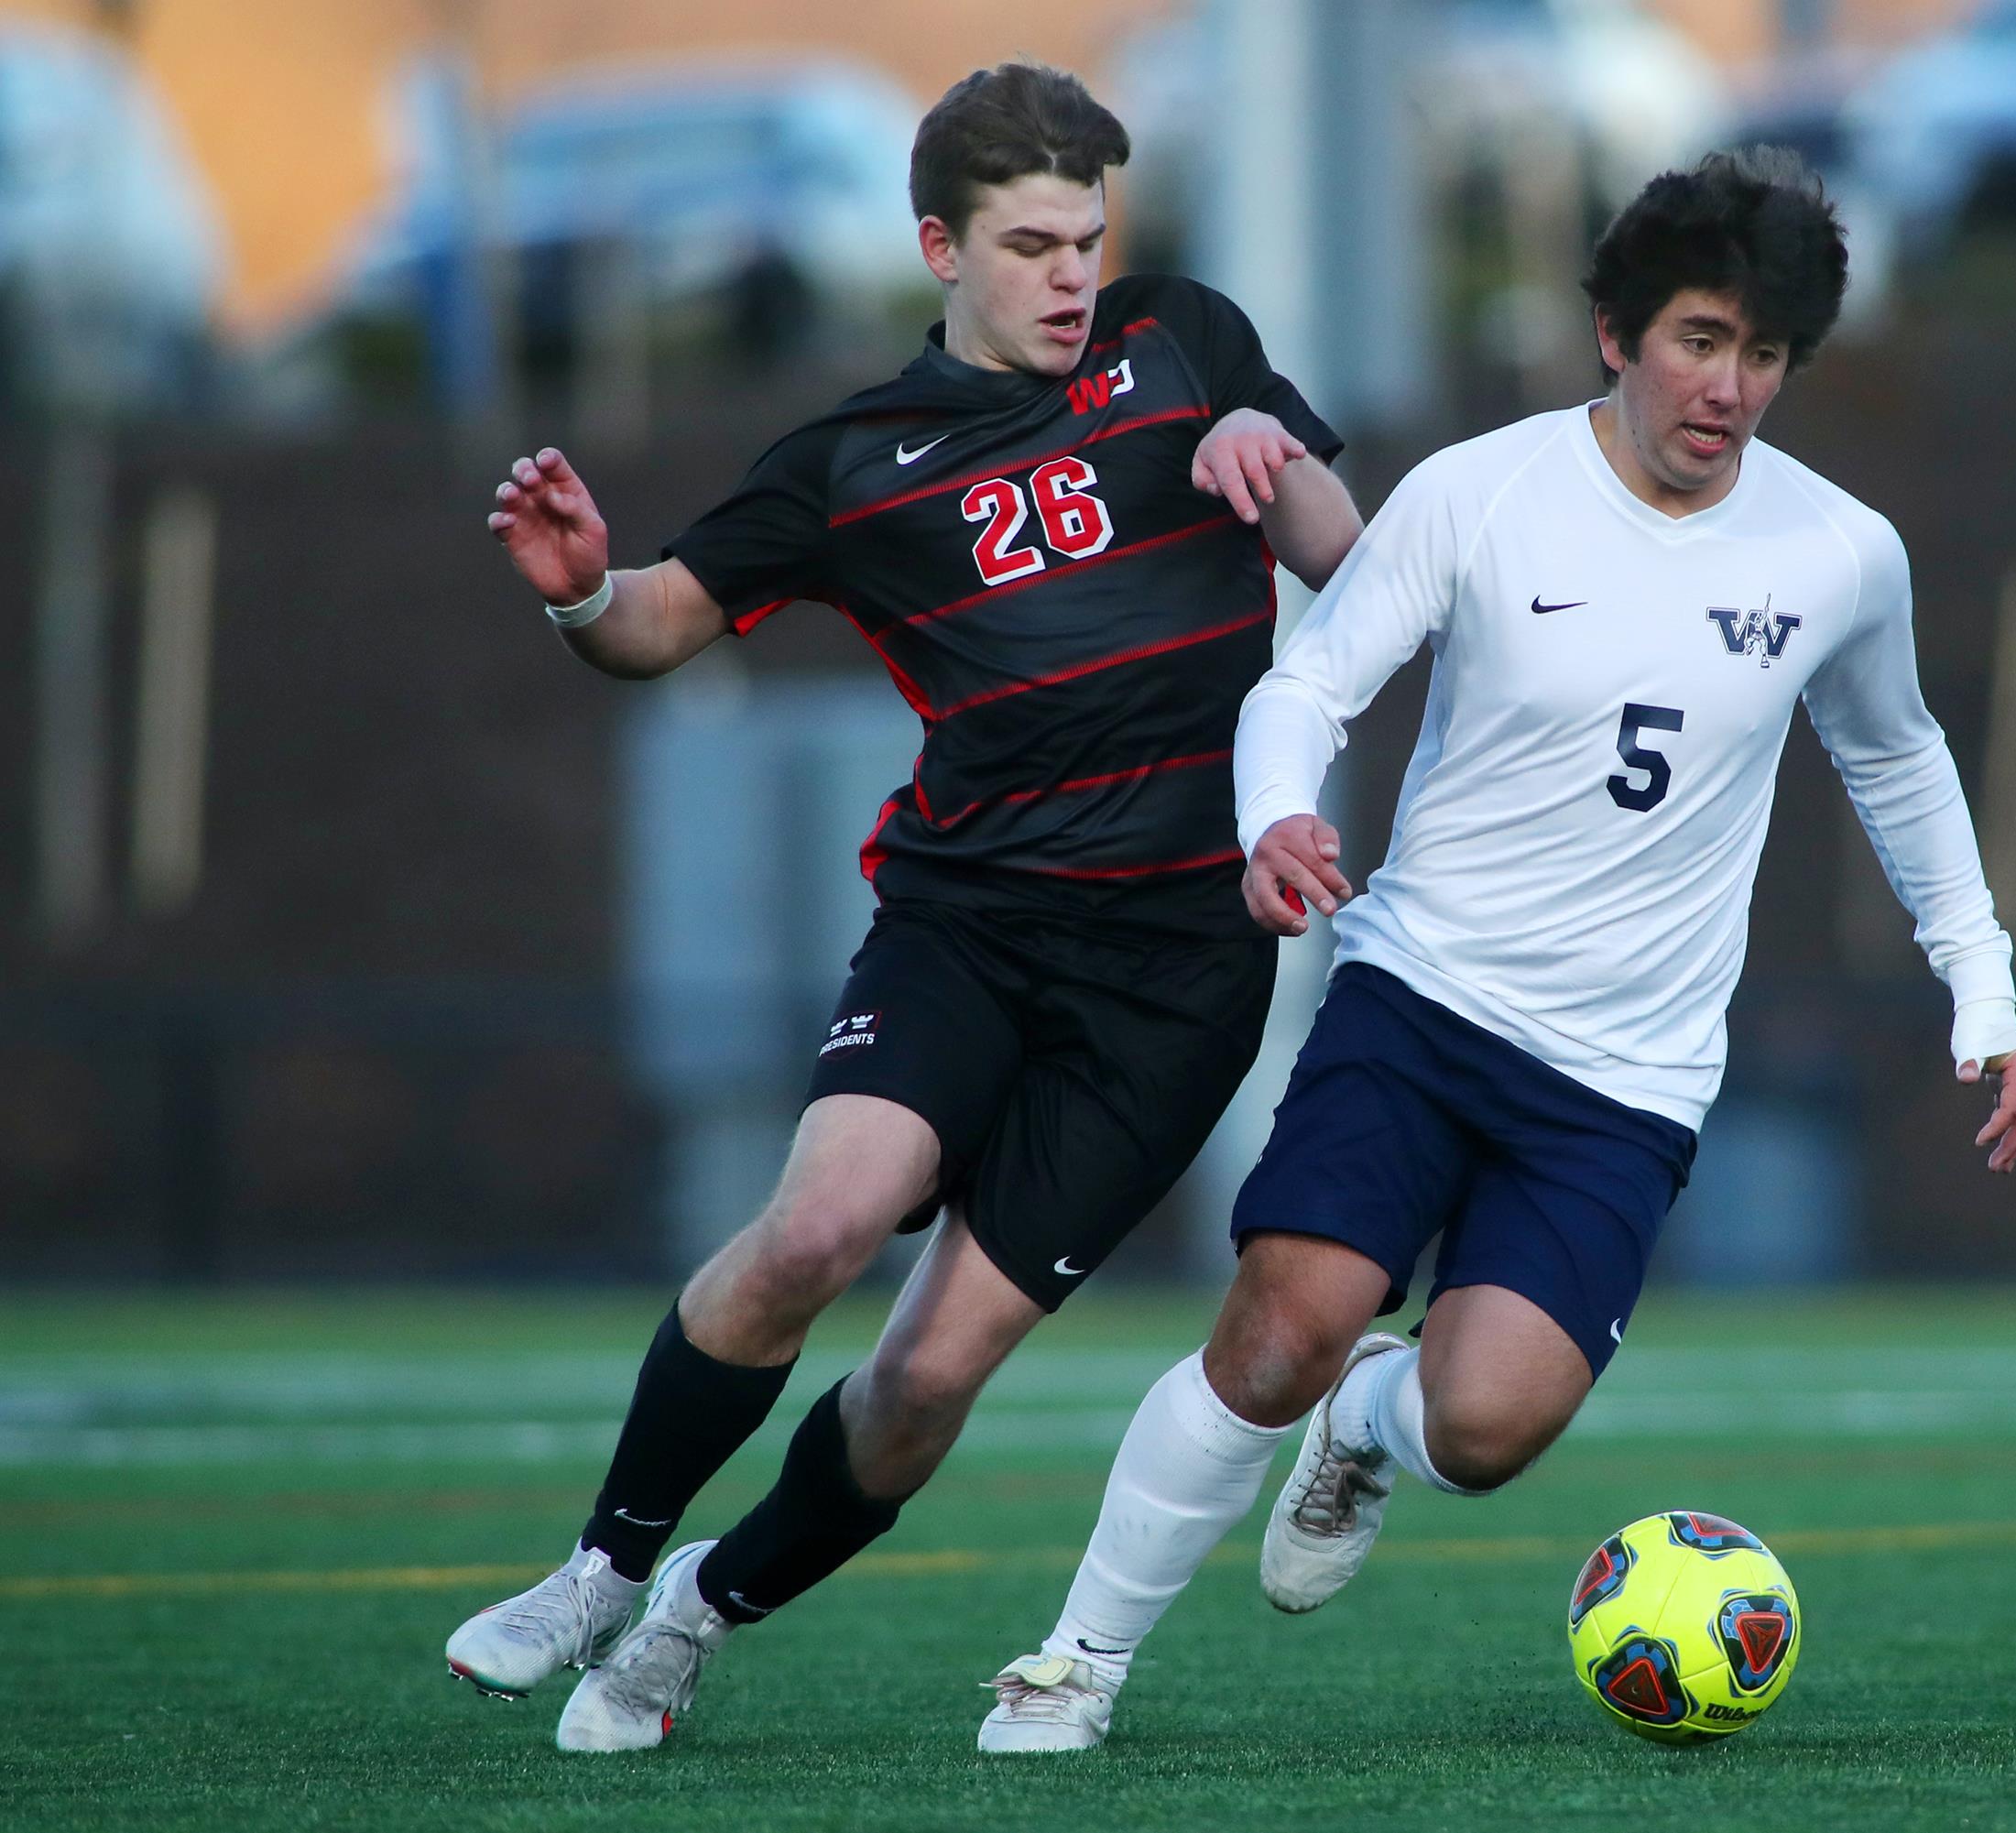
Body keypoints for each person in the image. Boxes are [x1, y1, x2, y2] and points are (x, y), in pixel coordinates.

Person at [975, 147, 2016, 1754]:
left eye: (1762, 355)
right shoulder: (1480, 492)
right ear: (1614, 332)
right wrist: (1274, 818)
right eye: (1698, 338)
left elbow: (1896, 759)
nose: (1728, 387)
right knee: (1283, 1320)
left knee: (1484, 1424)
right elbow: (1309, 684)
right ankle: (1076, 1658)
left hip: (1627, 1073)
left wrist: (1983, 986)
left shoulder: (1841, 553)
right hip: (1423, 995)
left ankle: (1374, 1426)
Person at [441, 60, 1361, 1753]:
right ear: (941, 245)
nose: (1074, 275)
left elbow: (1344, 555)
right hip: (973, 927)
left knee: (930, 1376)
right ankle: (593, 1566)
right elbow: (662, 622)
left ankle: (690, 1618)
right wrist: (583, 593)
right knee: (814, 1227)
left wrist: (1266, 445)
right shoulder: (855, 463)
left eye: (1090, 237)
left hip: (1176, 977)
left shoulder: (1191, 343)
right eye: (1029, 244)